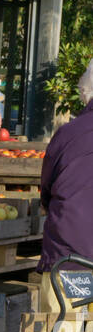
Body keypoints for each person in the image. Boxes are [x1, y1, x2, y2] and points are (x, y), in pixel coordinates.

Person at [36, 57, 93, 308]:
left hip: (70, 254)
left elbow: (47, 187)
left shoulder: (69, 134)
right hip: (74, 252)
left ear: (85, 92)